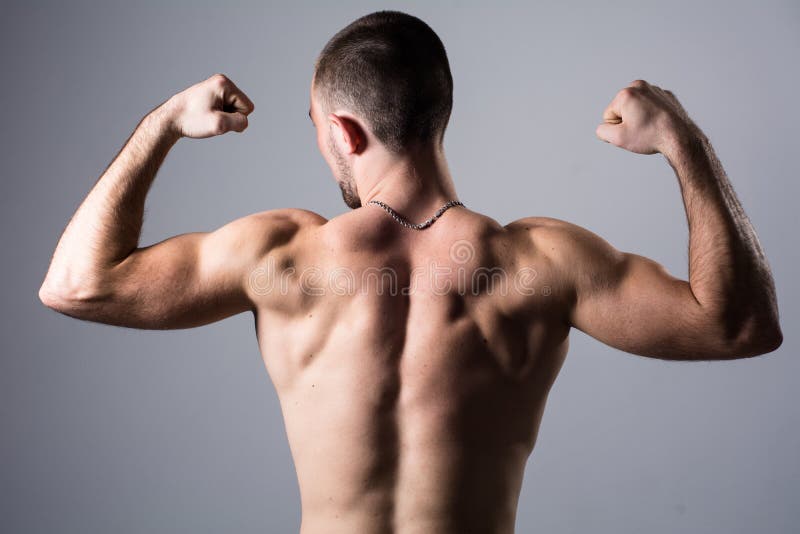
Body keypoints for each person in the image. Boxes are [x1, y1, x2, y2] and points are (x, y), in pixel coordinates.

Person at [38, 9, 782, 534]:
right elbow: (740, 324)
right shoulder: (539, 265)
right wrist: (684, 141)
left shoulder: (281, 257)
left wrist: (165, 121)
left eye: (315, 129)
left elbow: (76, 283)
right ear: (439, 113)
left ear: (343, 132)